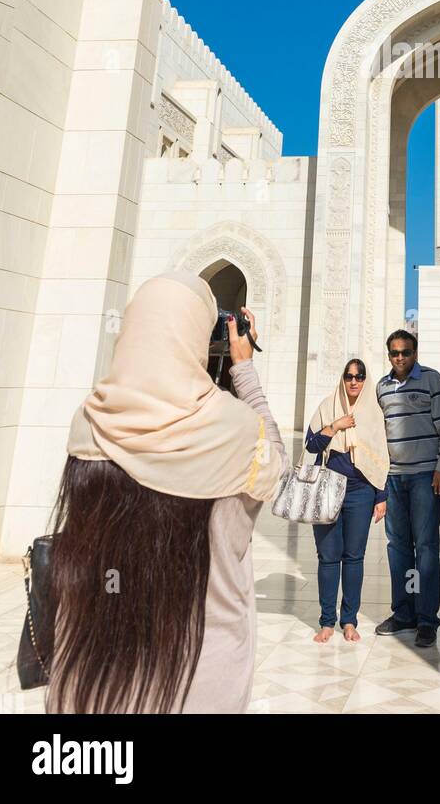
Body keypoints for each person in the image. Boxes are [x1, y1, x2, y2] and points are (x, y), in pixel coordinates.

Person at [45, 270, 289, 714]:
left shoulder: (90, 422)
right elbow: (278, 468)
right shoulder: (234, 434)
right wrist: (244, 370)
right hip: (197, 682)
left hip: (89, 681)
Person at [375, 329, 440, 648]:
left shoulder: (432, 381)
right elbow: (377, 429)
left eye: (406, 352)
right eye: (395, 353)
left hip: (425, 475)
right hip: (394, 477)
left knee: (425, 547)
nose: (400, 358)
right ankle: (404, 612)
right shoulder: (382, 388)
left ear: (415, 352)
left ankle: (426, 619)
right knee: (398, 546)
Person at [304, 359, 389, 643]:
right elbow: (311, 445)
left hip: (361, 492)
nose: (354, 382)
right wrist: (335, 426)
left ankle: (349, 620)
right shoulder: (328, 406)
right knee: (328, 557)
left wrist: (381, 497)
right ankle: (327, 621)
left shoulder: (374, 413)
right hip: (327, 488)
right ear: (343, 378)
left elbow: (381, 459)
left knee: (354, 556)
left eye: (360, 376)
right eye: (349, 376)